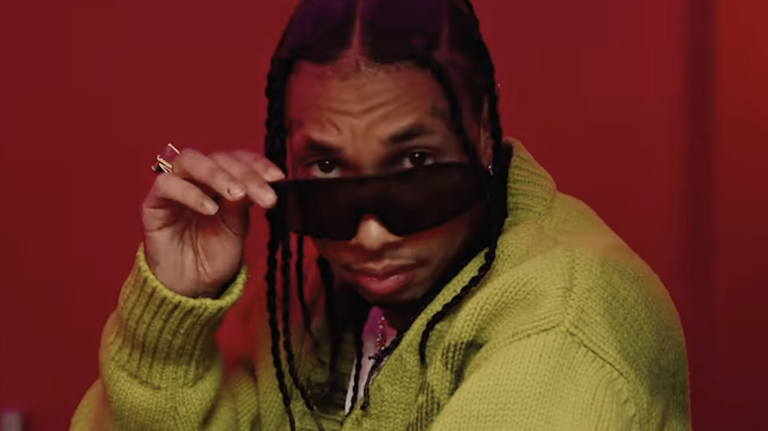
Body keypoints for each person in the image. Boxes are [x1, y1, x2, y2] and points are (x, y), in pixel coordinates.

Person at [71, 0, 690, 429]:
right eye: (327, 169)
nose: (370, 235)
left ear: (481, 131)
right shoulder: (298, 307)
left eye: (415, 164)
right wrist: (172, 322)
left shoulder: (564, 324)